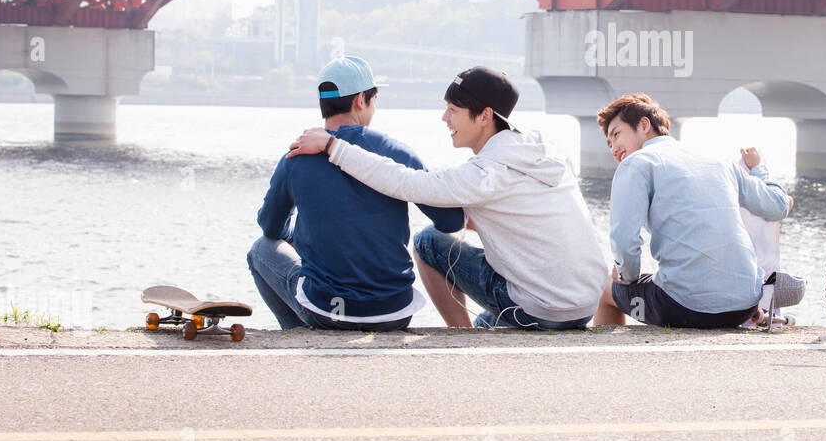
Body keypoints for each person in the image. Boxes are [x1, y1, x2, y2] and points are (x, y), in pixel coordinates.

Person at [288, 66, 609, 330]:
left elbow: (405, 182)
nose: (444, 119)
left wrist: (333, 147)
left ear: (484, 116)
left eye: (453, 111)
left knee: (429, 242)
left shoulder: (484, 174)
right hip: (583, 304)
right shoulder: (539, 150)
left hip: (544, 312)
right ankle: (480, 330)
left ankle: (461, 335)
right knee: (490, 320)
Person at [248, 56, 465, 331]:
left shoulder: (296, 157)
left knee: (260, 249)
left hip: (326, 311)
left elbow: (270, 227)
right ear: (361, 100)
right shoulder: (397, 153)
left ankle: (299, 333)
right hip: (394, 313)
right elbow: (450, 222)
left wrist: (304, 240)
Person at [592, 93, 797, 329]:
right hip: (745, 304)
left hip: (683, 308)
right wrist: (759, 169)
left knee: (607, 289)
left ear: (644, 125)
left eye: (616, 135)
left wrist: (625, 277)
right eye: (609, 143)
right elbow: (778, 205)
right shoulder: (717, 160)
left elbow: (625, 240)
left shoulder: (637, 164)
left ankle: (611, 360)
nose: (613, 148)